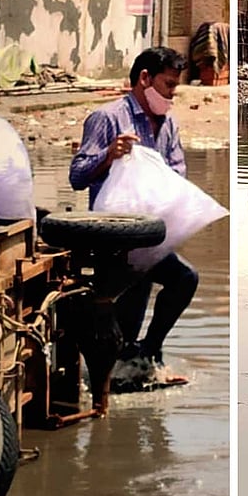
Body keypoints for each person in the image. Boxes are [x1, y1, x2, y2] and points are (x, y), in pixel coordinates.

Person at [69, 47, 197, 391]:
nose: (172, 94)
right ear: (145, 79)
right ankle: (120, 371)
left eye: (175, 87)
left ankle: (148, 352)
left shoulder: (168, 122)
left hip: (149, 237)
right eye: (168, 85)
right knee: (129, 308)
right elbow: (78, 176)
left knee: (185, 279)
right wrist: (110, 155)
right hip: (112, 240)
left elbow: (177, 173)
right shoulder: (107, 118)